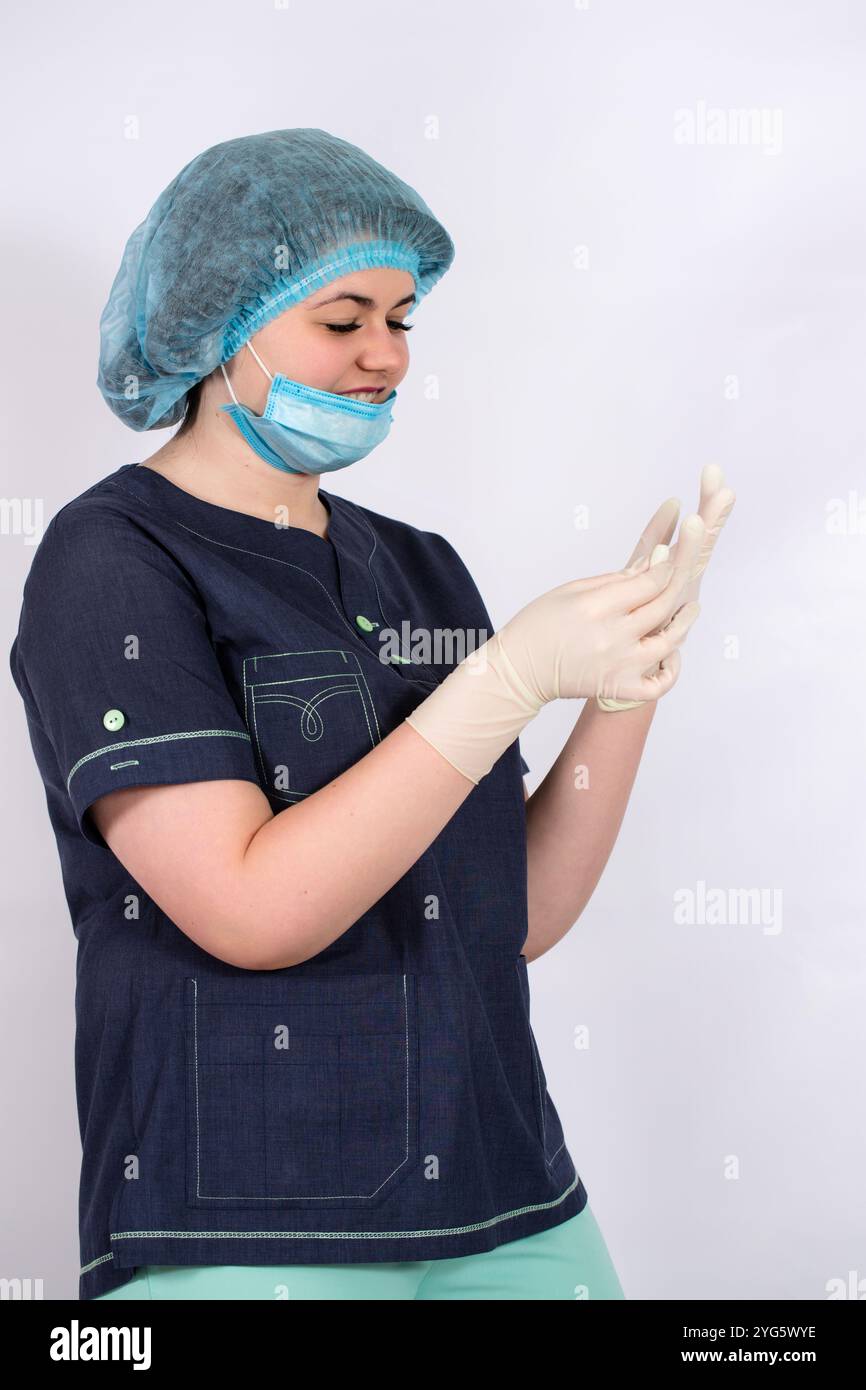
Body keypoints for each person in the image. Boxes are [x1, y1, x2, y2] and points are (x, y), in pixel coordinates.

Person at [8, 128, 734, 1301]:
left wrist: (618, 684)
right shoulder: (112, 559)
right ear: (218, 322)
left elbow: (519, 913)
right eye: (342, 322)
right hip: (245, 1211)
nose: (384, 358)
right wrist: (501, 682)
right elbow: (247, 908)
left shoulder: (421, 569)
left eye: (400, 322)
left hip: (505, 1193)